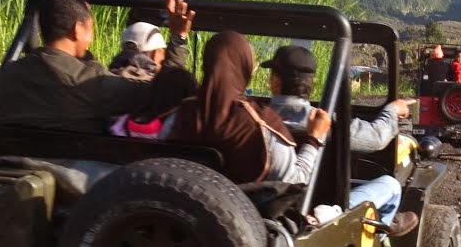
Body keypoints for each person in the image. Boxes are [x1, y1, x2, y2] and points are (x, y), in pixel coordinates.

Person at [0, 0, 196, 135]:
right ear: (78, 30)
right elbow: (162, 94)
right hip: (77, 179)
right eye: (91, 28)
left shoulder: (6, 76)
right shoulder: (91, 83)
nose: (91, 38)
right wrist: (178, 38)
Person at [263, 44, 419, 235]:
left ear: (275, 82)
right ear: (311, 84)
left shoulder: (254, 118)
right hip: (320, 213)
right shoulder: (328, 123)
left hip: (266, 205)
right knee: (391, 185)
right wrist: (392, 110)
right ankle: (377, 241)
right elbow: (378, 138)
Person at [171, 31, 332, 186]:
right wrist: (314, 140)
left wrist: (178, 39)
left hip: (176, 208)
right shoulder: (262, 123)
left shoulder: (179, 114)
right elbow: (292, 184)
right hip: (247, 211)